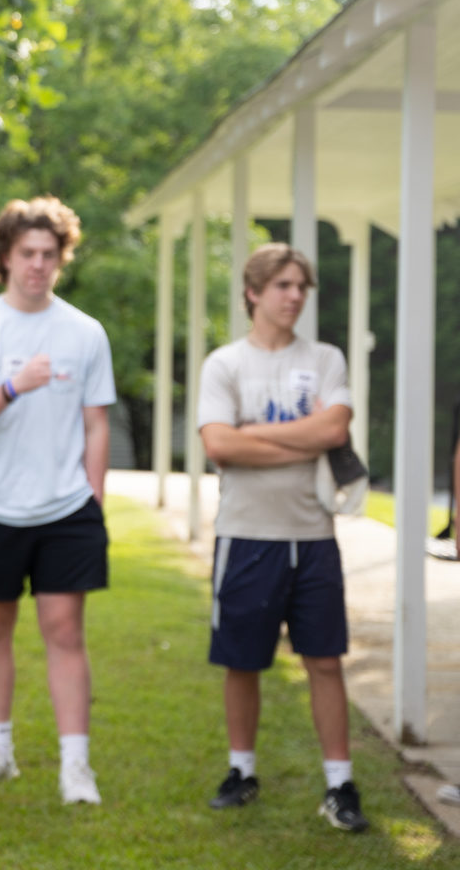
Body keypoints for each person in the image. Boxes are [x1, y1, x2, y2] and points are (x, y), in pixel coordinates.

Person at [0, 196, 113, 806]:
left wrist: (93, 501)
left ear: (62, 259)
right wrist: (12, 387)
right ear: (5, 258)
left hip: (66, 509)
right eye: (27, 254)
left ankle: (75, 766)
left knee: (65, 631)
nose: (38, 264)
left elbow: (96, 425)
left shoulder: (85, 332)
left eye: (49, 254)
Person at [197, 242, 369, 832]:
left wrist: (258, 435)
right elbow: (219, 445)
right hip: (246, 537)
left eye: (301, 287)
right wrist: (304, 434)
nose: (295, 296)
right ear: (253, 292)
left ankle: (340, 786)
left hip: (313, 537)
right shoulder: (225, 364)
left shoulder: (324, 358)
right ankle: (241, 772)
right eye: (283, 286)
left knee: (325, 661)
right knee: (242, 663)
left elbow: (336, 426)